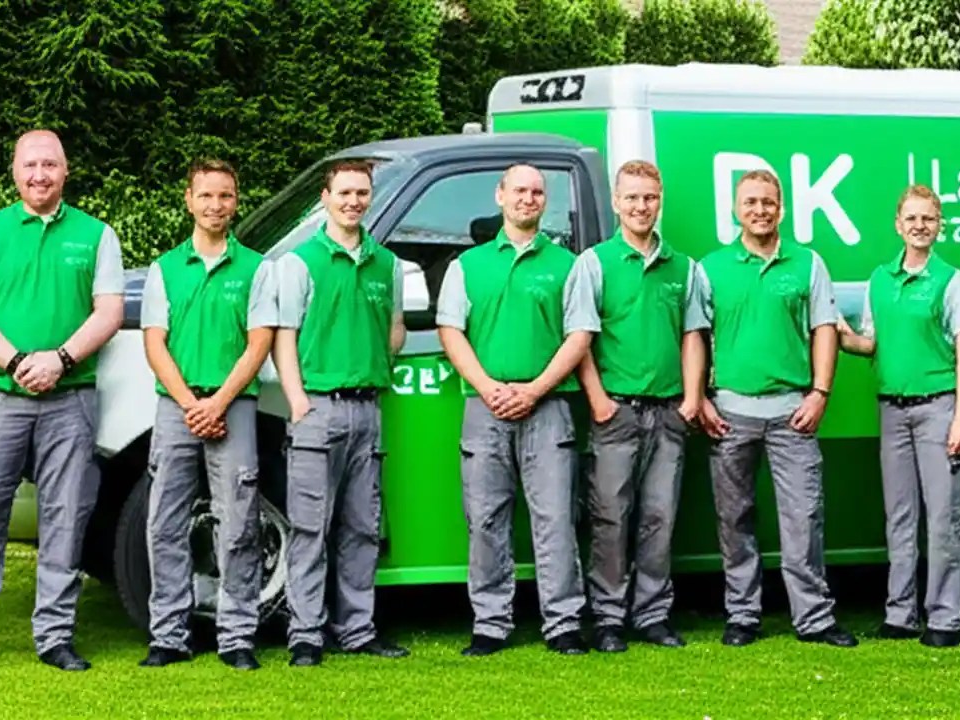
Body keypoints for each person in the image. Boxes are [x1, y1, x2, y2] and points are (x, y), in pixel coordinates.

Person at [0, 130, 125, 672]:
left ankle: (55, 636)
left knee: (66, 516)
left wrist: (60, 360)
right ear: (14, 171)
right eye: (30, 165)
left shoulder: (96, 235)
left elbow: (108, 312)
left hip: (71, 397)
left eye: (50, 164)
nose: (39, 174)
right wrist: (18, 362)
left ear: (66, 171)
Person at [436, 163, 596, 657]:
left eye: (537, 192)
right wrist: (486, 386)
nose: (528, 199)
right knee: (485, 518)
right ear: (500, 195)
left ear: (545, 202)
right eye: (519, 190)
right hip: (484, 409)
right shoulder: (469, 265)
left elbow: (581, 335)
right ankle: (490, 623)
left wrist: (536, 389)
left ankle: (564, 623)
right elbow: (451, 331)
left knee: (555, 519)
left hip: (548, 409)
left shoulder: (569, 265)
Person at [695, 169, 857, 648]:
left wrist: (820, 392)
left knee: (804, 516)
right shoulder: (711, 268)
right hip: (729, 412)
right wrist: (700, 396)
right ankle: (743, 616)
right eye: (750, 202)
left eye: (768, 202)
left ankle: (813, 618)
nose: (760, 210)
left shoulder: (807, 264)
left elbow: (824, 328)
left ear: (782, 208)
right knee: (734, 517)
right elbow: (697, 338)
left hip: (794, 411)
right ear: (735, 209)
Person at [137, 158, 276, 671]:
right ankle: (168, 635)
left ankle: (237, 635)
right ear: (188, 199)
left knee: (238, 522)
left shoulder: (258, 268)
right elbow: (155, 343)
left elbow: (258, 342)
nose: (216, 206)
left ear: (237, 201)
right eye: (206, 196)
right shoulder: (165, 268)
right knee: (164, 523)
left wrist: (217, 402)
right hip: (177, 405)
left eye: (225, 196)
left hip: (233, 405)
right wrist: (192, 404)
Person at [274, 159, 408, 667]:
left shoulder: (386, 264)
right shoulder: (299, 263)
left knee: (361, 527)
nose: (354, 201)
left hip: (367, 410)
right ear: (325, 198)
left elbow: (394, 328)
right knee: (310, 527)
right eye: (344, 192)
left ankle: (356, 629)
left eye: (362, 192)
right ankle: (305, 633)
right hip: (318, 408)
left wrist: (373, 367)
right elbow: (283, 338)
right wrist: (298, 402)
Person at [570, 160, 707, 652]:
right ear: (615, 201)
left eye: (649, 197)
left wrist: (692, 398)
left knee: (659, 516)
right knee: (610, 516)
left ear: (660, 200)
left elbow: (693, 336)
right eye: (631, 197)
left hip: (669, 410)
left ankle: (651, 614)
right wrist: (599, 400)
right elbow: (580, 339)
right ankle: (607, 617)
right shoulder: (594, 263)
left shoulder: (683, 267)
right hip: (617, 411)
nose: (640, 206)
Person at [836, 185, 960, 648]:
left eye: (929, 218)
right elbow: (871, 342)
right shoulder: (880, 279)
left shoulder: (952, 281)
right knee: (899, 516)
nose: (920, 226)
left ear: (939, 226)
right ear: (898, 224)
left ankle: (943, 618)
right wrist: (839, 334)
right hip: (892, 409)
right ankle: (900, 614)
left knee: (943, 517)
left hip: (939, 406)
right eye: (912, 218)